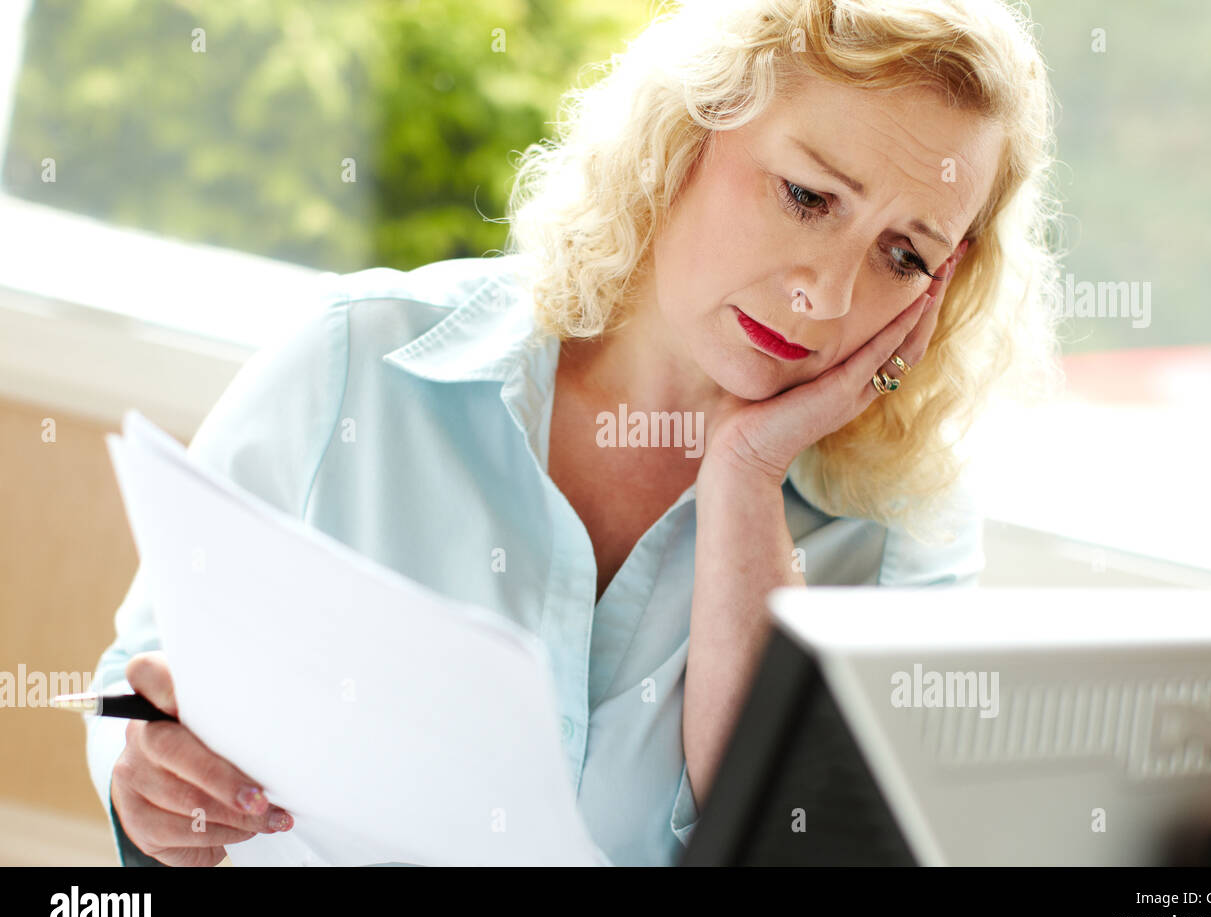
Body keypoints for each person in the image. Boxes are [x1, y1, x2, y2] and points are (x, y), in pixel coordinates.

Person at [86, 0, 1064, 867]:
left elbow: (797, 836)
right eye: (808, 196)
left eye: (902, 253)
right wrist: (152, 786)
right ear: (690, 132)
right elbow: (141, 683)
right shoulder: (359, 360)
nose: (826, 291)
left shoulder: (900, 531)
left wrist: (746, 472)